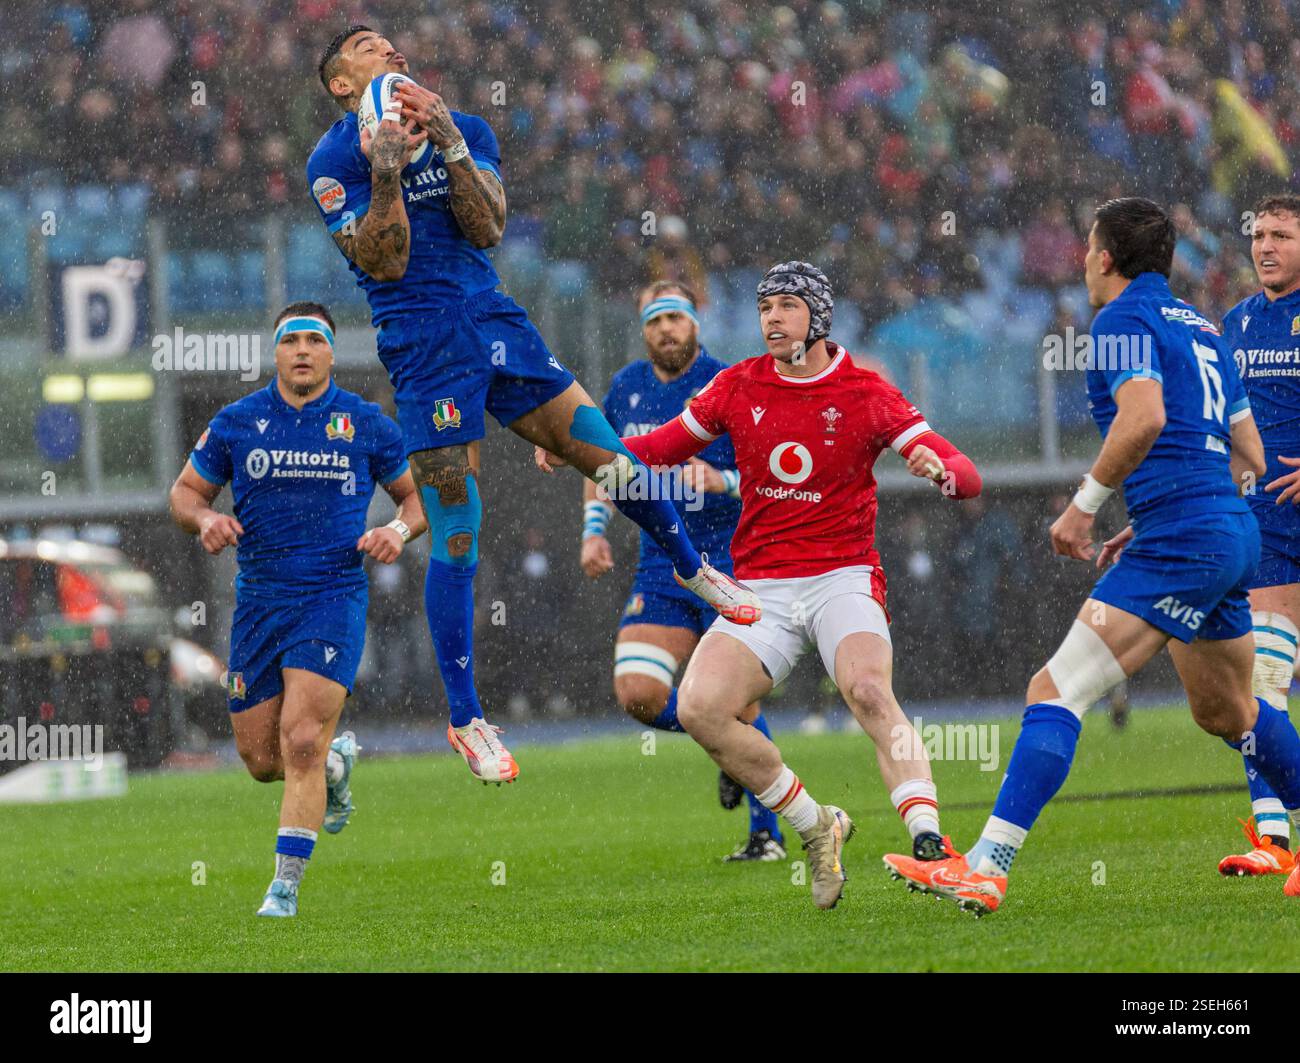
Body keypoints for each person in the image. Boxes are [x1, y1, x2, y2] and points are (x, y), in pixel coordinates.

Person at [306, 25, 758, 785]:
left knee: (612, 457)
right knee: (458, 530)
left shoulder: (465, 123)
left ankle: (691, 566)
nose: (390, 49)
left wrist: (446, 140)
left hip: (495, 321)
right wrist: (385, 173)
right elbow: (384, 258)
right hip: (424, 348)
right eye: (366, 44)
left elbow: (488, 225)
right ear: (341, 84)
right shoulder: (332, 162)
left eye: (391, 41)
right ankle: (465, 718)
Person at [883, 197, 1300, 915]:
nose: (1080, 258)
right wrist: (1178, 504)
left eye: (1086, 247)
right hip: (1228, 528)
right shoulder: (1202, 326)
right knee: (1231, 710)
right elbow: (1251, 452)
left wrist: (1084, 503)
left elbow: (1145, 418)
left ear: (1105, 256)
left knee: (1055, 689)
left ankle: (986, 863)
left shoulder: (1116, 321)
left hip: (1185, 536)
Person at [539, 261, 982, 909]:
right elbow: (655, 450)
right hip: (762, 587)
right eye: (765, 306)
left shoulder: (865, 389)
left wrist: (939, 468)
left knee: (866, 689)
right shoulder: (738, 384)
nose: (771, 317)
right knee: (697, 708)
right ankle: (814, 823)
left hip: (841, 576)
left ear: (819, 315)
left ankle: (930, 845)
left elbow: (965, 474)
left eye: (786, 306)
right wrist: (576, 442)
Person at [168, 302, 426, 917]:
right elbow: (183, 492)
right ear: (276, 353)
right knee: (262, 760)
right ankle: (335, 768)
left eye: (315, 340)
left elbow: (416, 500)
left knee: (302, 739)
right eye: (292, 341)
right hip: (258, 602)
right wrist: (205, 517)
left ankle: (283, 887)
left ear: (332, 353)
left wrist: (397, 530)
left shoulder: (365, 422)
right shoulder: (237, 421)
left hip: (331, 597)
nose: (303, 350)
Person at [580, 280, 785, 862]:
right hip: (658, 564)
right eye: (654, 321)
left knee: (737, 703)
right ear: (643, 330)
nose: (666, 329)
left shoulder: (732, 382)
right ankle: (723, 743)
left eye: (675, 318)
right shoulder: (626, 388)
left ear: (695, 324)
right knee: (638, 694)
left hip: (729, 563)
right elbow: (601, 466)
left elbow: (781, 472)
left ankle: (765, 835)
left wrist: (723, 481)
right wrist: (593, 532)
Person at [1218, 194, 1300, 875]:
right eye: (1260, 234)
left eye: (1281, 235)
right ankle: (1272, 838)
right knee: (1263, 681)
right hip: (1268, 526)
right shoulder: (1237, 324)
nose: (1265, 246)